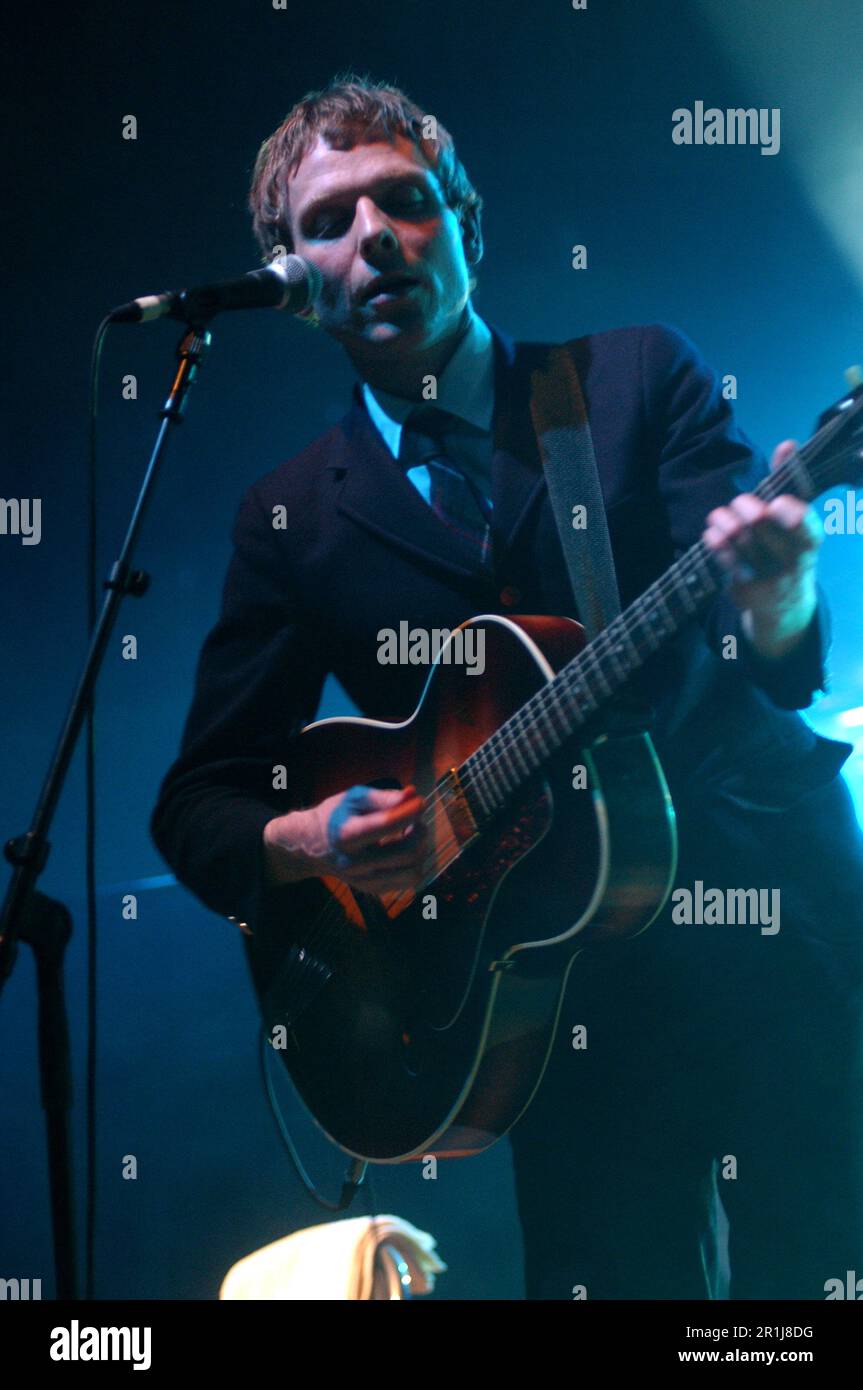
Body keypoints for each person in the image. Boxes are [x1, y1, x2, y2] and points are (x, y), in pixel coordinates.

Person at [151, 75, 863, 1299]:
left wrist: (777, 593)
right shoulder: (288, 517)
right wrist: (309, 839)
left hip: (766, 924)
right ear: (292, 281)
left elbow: (773, 664)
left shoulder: (632, 381)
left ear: (464, 227)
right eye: (328, 222)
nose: (372, 236)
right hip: (545, 991)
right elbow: (199, 800)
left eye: (404, 202)